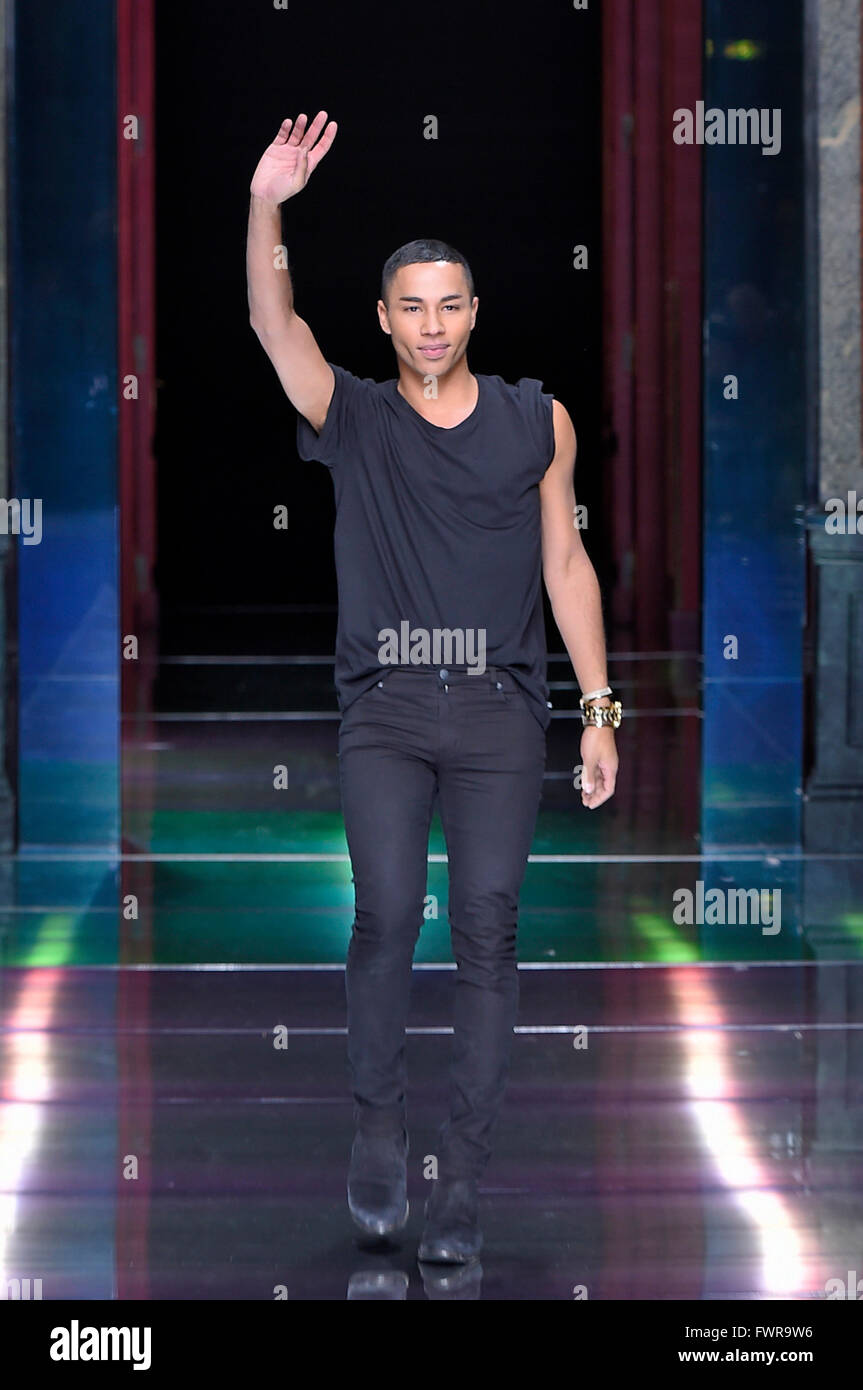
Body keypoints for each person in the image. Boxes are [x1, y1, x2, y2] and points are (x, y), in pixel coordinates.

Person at [247, 111, 621, 1265]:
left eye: (448, 303)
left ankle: (459, 1178)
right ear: (381, 319)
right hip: (386, 713)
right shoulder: (351, 417)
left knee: (488, 937)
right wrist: (267, 204)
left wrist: (600, 711)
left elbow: (564, 562)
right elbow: (272, 320)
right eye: (408, 306)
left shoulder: (531, 419)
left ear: (472, 312)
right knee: (383, 917)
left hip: (503, 712)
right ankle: (376, 1131)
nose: (429, 324)